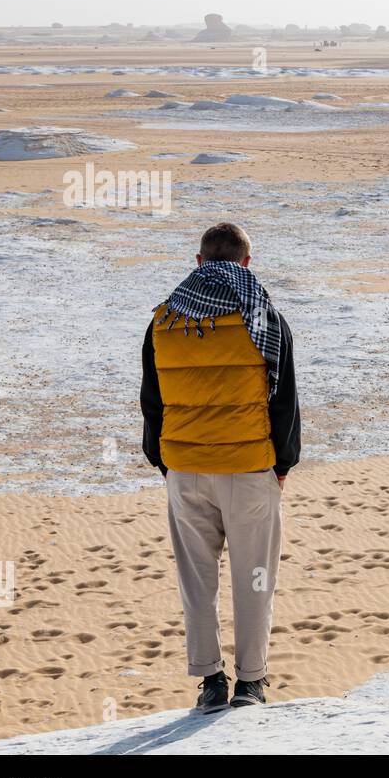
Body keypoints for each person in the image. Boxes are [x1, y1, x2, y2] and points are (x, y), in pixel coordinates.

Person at [140, 222, 301, 713]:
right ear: (246, 265)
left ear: (198, 262)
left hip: (185, 470)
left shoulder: (164, 320)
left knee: (197, 581)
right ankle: (250, 683)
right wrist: (283, 464)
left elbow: (152, 402)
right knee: (255, 578)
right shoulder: (263, 316)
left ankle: (210, 680)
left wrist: (164, 462)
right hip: (250, 470)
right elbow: (285, 400)